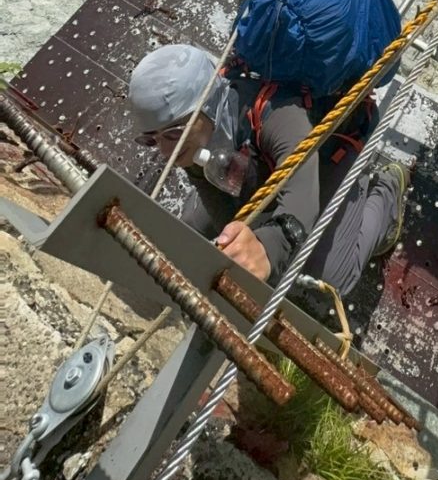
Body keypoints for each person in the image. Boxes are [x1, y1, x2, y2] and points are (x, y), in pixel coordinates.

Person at [127, 43, 407, 296]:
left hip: (326, 152)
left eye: (174, 134)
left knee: (332, 277)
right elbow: (225, 214)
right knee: (193, 225)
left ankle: (388, 189)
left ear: (208, 105)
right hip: (259, 162)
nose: (166, 151)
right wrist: (231, 227)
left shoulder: (280, 117)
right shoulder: (197, 136)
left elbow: (302, 201)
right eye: (151, 140)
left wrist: (267, 248)